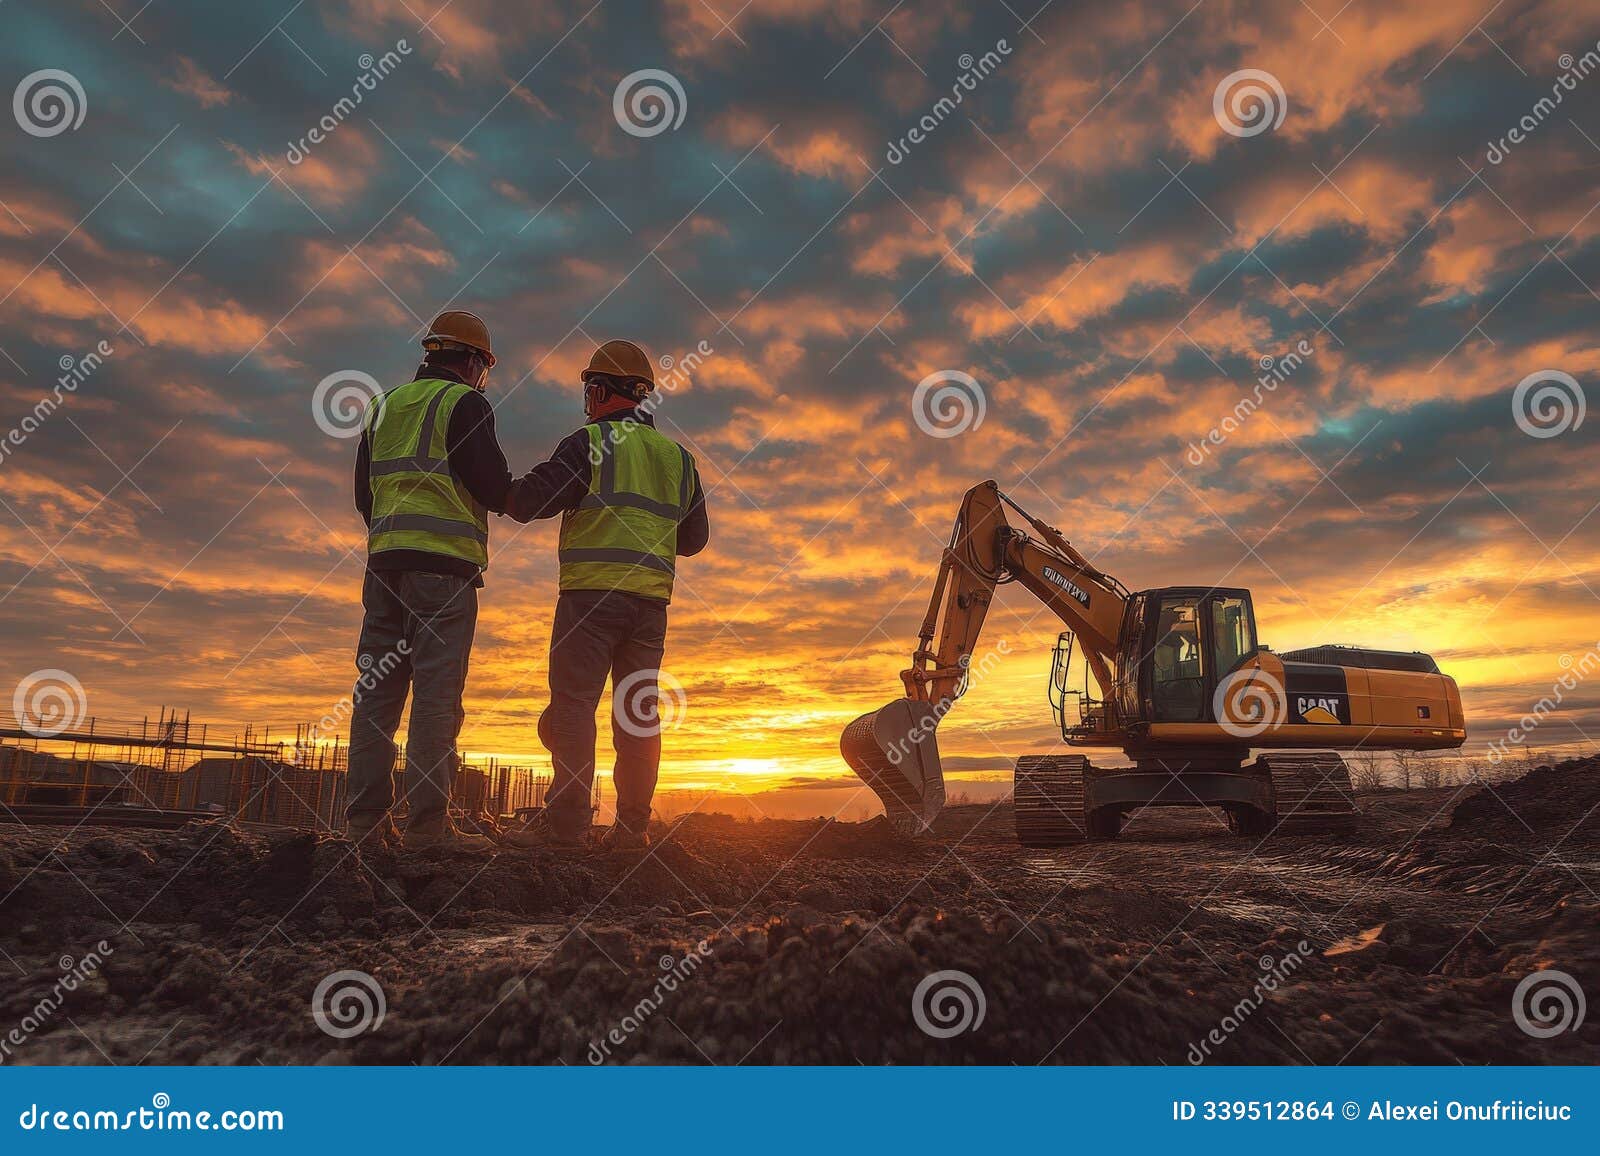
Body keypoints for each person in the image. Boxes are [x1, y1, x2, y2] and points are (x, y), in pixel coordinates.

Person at [503, 339, 709, 850]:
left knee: (573, 709)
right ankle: (632, 829)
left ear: (599, 391)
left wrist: (487, 482)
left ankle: (567, 826)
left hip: (589, 601)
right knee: (638, 713)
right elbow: (695, 540)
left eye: (589, 391)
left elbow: (530, 501)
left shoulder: (588, 443)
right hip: (649, 607)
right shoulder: (678, 459)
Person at [344, 310, 518, 851]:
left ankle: (365, 827)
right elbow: (495, 487)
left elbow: (364, 496)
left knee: (376, 696)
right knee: (436, 700)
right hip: (443, 573)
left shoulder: (382, 406)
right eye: (484, 366)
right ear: (472, 361)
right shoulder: (464, 404)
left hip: (384, 569)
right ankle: (427, 828)